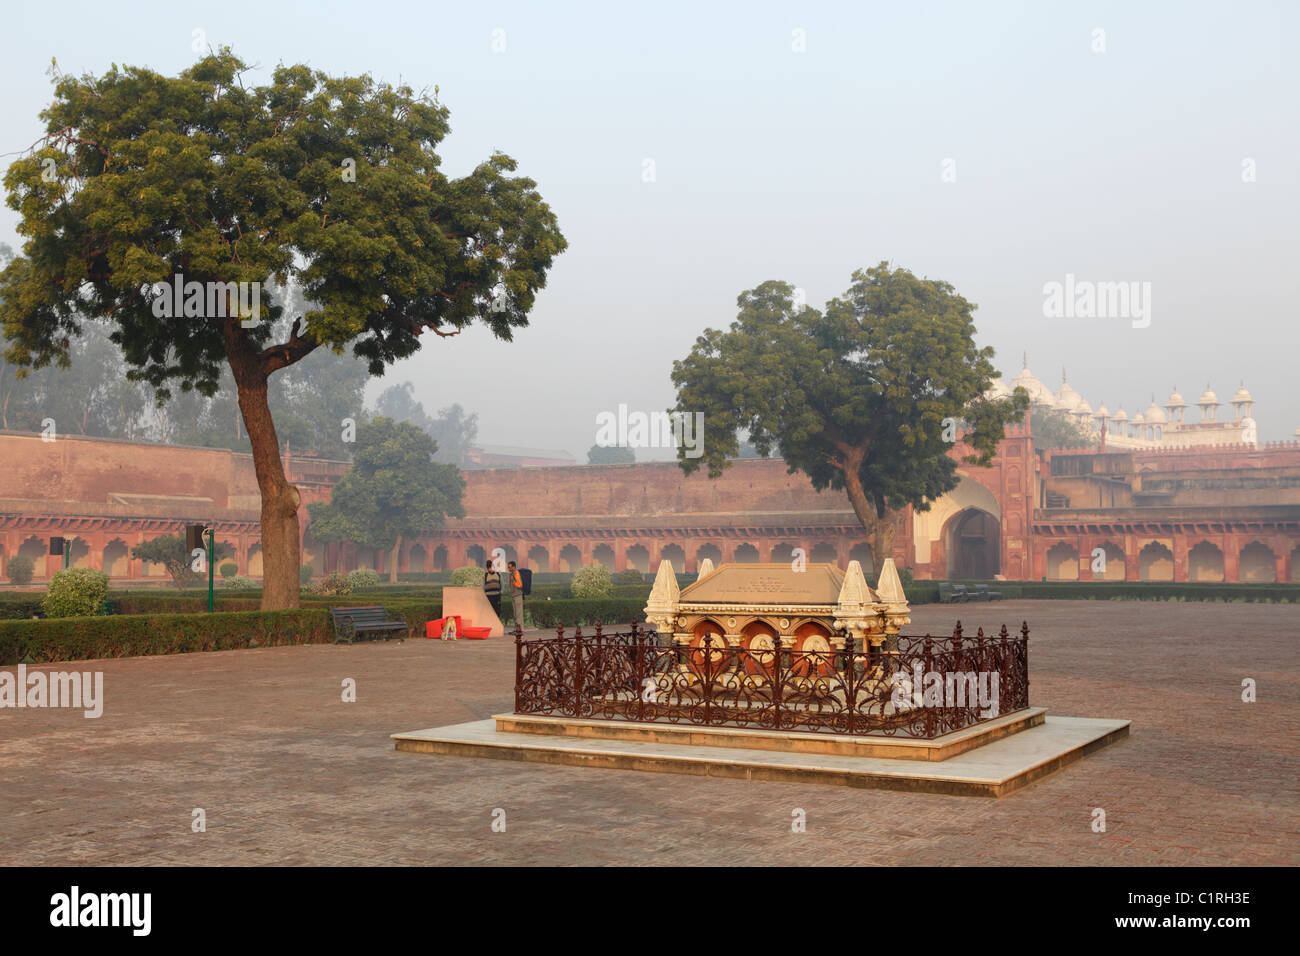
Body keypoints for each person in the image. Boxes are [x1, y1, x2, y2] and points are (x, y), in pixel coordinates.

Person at [507, 560, 524, 628]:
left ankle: (520, 629)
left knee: (518, 614)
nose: (509, 568)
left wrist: (513, 580)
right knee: (515, 614)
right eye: (508, 567)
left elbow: (520, 585)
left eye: (510, 567)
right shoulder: (511, 574)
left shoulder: (516, 573)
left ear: (514, 567)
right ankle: (517, 629)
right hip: (514, 595)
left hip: (517, 595)